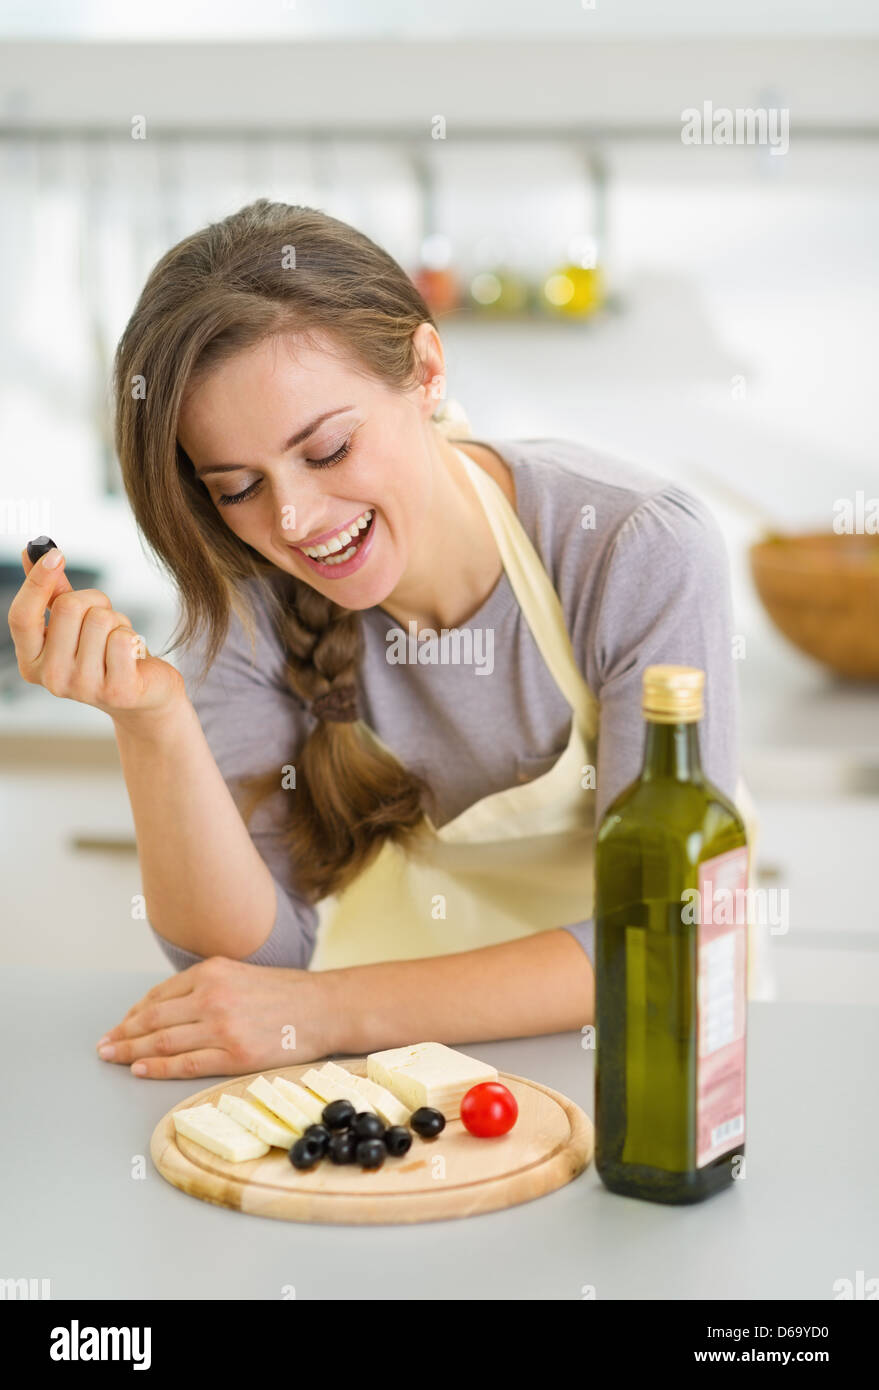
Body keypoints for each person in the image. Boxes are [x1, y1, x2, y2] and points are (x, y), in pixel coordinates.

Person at [10, 199, 751, 1080]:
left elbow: (665, 931)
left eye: (326, 450)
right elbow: (250, 968)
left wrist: (326, 1014)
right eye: (238, 486)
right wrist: (150, 722)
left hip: (638, 1066)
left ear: (425, 367)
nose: (293, 520)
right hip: (394, 1089)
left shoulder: (631, 548)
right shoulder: (245, 603)